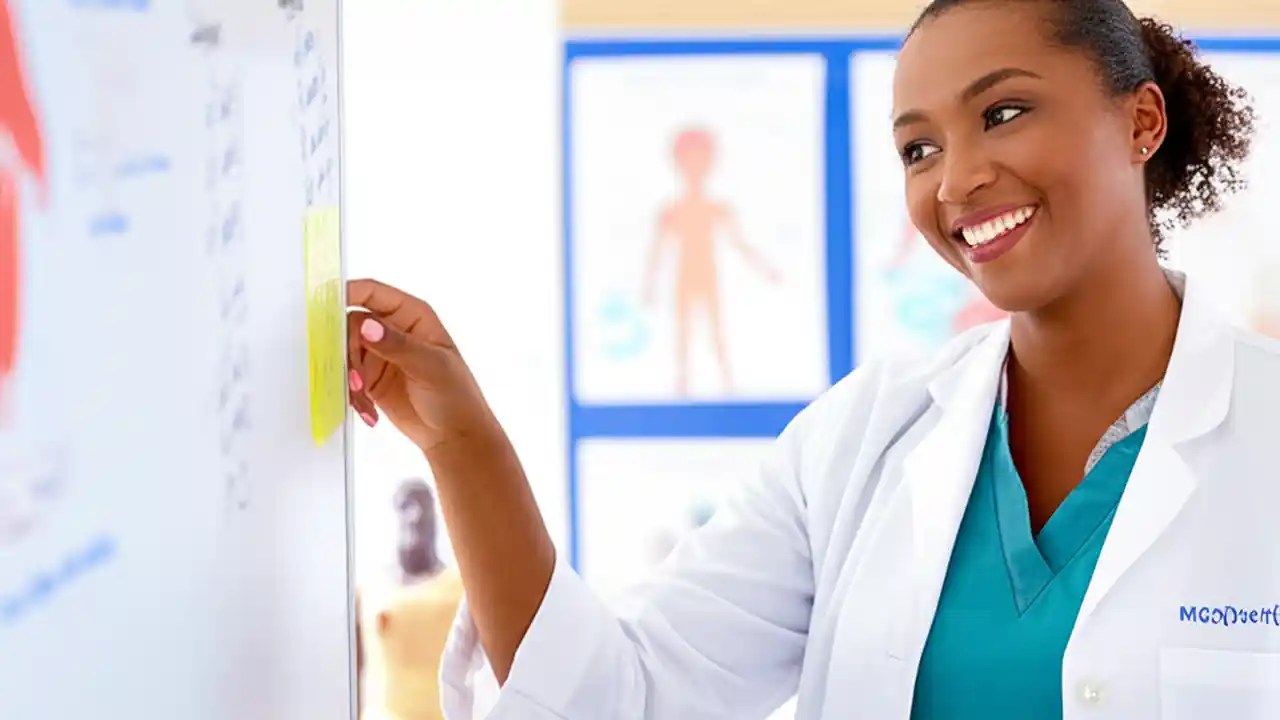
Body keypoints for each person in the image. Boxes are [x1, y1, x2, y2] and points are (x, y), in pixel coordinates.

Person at [345, 0, 1277, 716]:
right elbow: (618, 697)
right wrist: (463, 444)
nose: (955, 180)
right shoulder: (860, 440)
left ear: (1140, 123)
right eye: (918, 147)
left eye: (1004, 112)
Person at [642, 126, 780, 396]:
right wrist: (649, 286)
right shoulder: (671, 210)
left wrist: (766, 269)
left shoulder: (717, 207)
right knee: (683, 334)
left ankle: (728, 387)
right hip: (685, 278)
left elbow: (739, 244)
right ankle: (682, 388)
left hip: (708, 277)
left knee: (716, 332)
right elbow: (657, 252)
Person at [356, 479, 463, 720]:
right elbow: (351, 672)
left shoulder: (461, 589)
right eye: (406, 505)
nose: (415, 516)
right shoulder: (369, 591)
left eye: (424, 505)